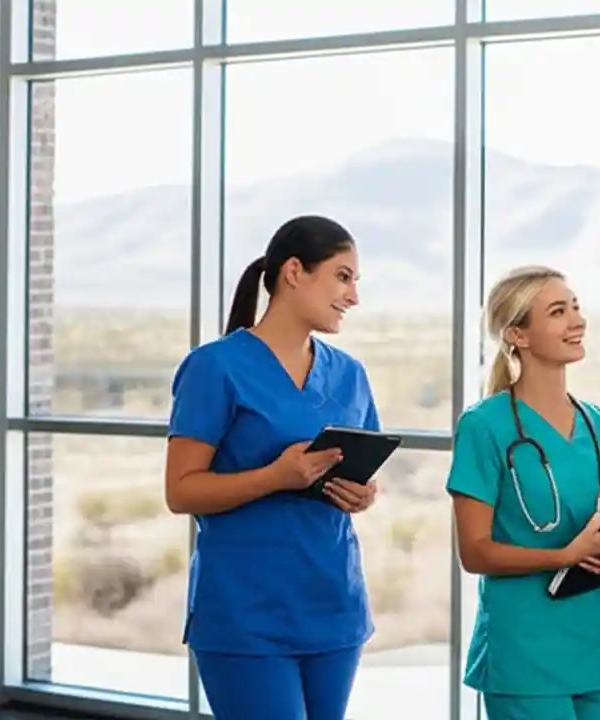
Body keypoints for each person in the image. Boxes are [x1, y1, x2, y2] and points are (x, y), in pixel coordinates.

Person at [164, 215, 380, 720]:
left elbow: (365, 479)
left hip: (334, 606)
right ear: (294, 272)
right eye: (343, 277)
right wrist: (275, 478)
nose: (353, 297)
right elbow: (181, 492)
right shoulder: (213, 367)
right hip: (247, 613)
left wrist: (362, 495)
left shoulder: (350, 374)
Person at [447, 265, 600, 720]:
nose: (577, 321)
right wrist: (564, 555)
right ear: (518, 334)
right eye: (558, 311)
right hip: (522, 653)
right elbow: (475, 553)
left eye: (575, 307)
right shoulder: (485, 426)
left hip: (591, 650)